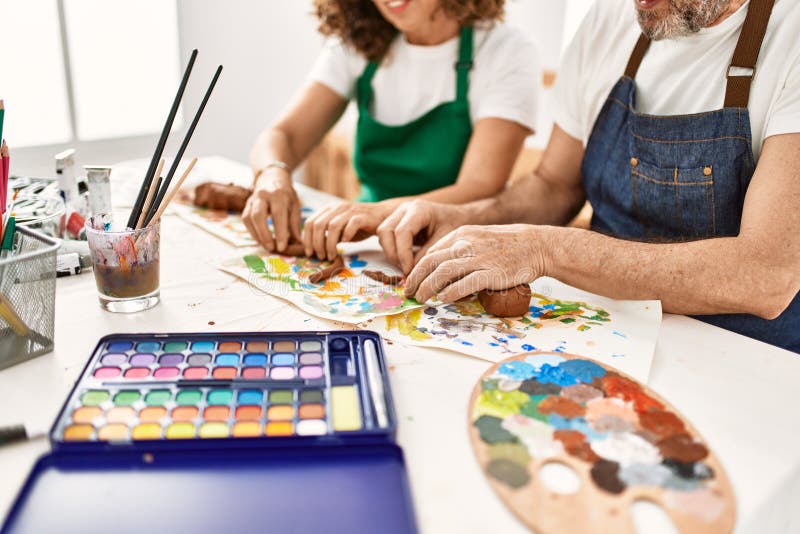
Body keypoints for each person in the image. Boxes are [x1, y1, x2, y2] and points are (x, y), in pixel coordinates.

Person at [379, 0, 800, 352]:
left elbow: (766, 276)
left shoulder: (790, 36)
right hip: (604, 335)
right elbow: (553, 186)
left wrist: (544, 249)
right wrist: (463, 216)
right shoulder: (612, 18)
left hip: (745, 361)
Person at [244, 0, 539, 261]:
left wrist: (377, 215)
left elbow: (480, 186)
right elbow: (284, 136)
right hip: (366, 245)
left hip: (454, 252)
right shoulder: (358, 41)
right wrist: (272, 174)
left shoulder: (506, 50)